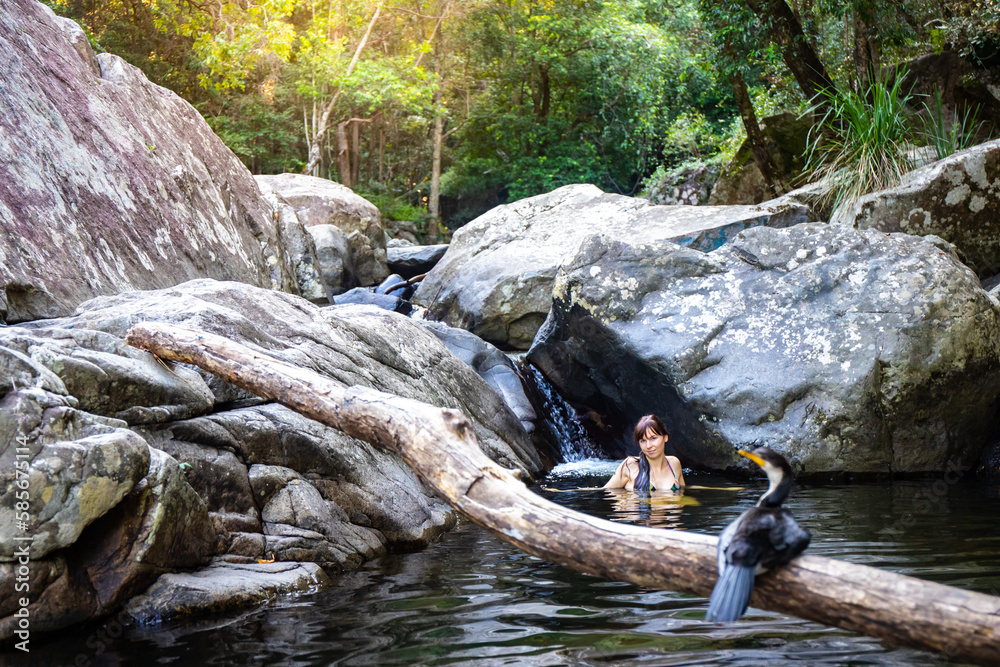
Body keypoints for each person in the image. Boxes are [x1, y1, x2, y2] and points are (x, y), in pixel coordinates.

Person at [604, 414, 685, 497]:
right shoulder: (630, 465)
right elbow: (605, 492)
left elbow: (683, 492)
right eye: (643, 441)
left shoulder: (674, 463)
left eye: (653, 438)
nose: (648, 446)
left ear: (665, 437)